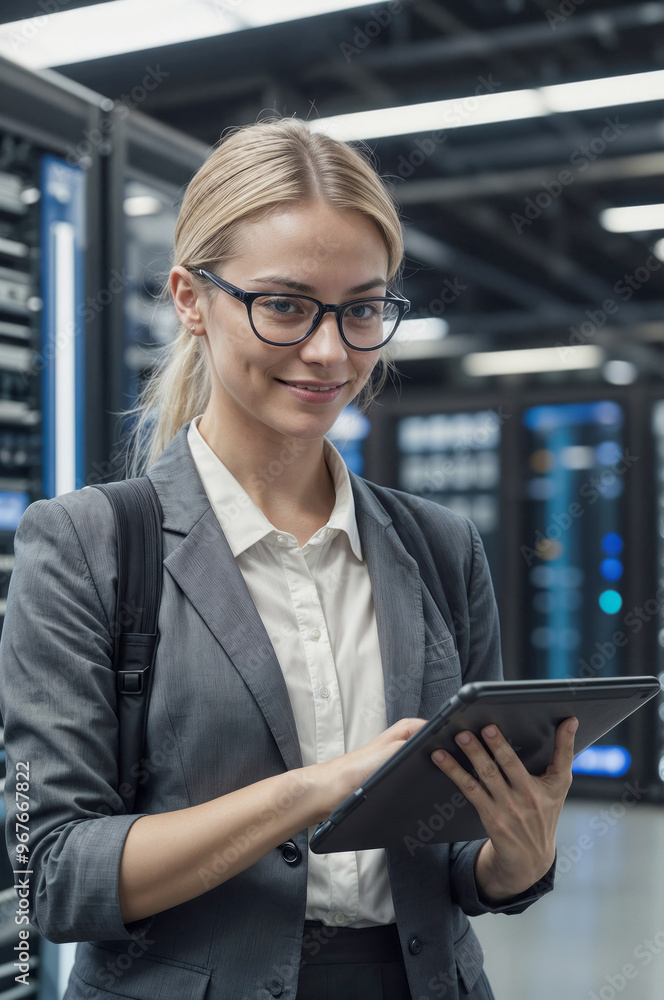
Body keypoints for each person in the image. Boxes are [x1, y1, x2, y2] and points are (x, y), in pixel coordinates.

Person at [0, 117, 577, 1000]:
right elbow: (55, 875)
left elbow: (451, 857)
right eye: (284, 305)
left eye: (362, 309)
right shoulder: (88, 545)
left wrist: (514, 859)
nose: (330, 351)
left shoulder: (439, 546)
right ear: (191, 299)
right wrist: (315, 790)